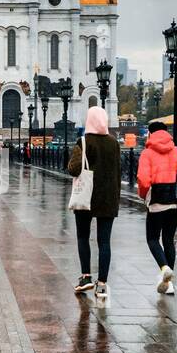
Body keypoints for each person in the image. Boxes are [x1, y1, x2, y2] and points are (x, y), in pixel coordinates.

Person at [67, 106, 121, 299]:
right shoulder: (114, 143)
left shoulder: (83, 141)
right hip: (108, 197)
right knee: (104, 241)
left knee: (83, 237)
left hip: (86, 197)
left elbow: (73, 169)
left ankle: (86, 277)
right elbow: (118, 171)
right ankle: (103, 285)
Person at [136, 121, 177, 294]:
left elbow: (143, 180)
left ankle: (164, 268)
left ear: (150, 133)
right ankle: (169, 284)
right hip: (176, 202)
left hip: (157, 201)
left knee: (152, 238)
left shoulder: (147, 153)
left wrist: (144, 195)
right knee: (169, 239)